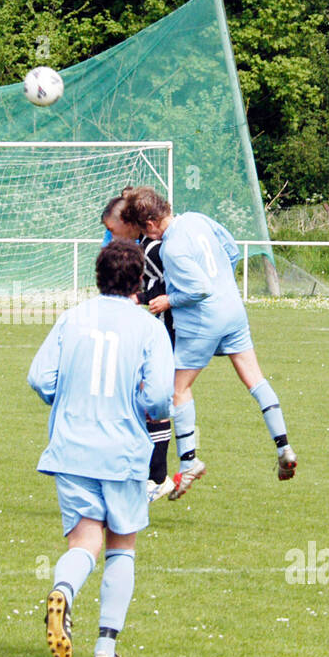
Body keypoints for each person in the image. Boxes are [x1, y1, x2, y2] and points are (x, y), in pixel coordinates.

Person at [28, 239, 174, 657]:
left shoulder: (73, 318)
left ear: (98, 278)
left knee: (85, 542)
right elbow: (162, 397)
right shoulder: (148, 326)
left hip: (72, 448)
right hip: (123, 452)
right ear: (141, 282)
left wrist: (66, 399)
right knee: (121, 548)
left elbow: (40, 378)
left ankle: (64, 591)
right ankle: (106, 651)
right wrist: (146, 409)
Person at [120, 188, 296, 496]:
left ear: (149, 224)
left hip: (204, 321)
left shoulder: (171, 247)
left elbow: (199, 289)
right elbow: (231, 250)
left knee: (178, 390)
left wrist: (168, 299)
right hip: (234, 311)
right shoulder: (198, 219)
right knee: (255, 379)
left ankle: (189, 462)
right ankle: (284, 447)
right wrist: (222, 281)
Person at [101, 192, 176, 503]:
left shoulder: (159, 248)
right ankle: (146, 474)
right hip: (142, 328)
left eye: (114, 230)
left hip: (162, 330)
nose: (111, 237)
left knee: (153, 397)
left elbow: (168, 287)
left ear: (131, 224)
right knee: (137, 399)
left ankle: (158, 476)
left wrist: (164, 300)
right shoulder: (140, 247)